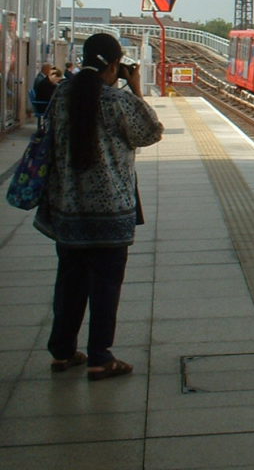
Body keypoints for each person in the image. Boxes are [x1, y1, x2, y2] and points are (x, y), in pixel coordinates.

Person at [36, 33, 163, 380]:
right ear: (113, 66)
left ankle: (62, 352)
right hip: (111, 213)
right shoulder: (115, 101)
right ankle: (100, 357)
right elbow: (151, 132)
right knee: (106, 286)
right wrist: (135, 87)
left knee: (69, 282)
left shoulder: (63, 95)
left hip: (68, 210)